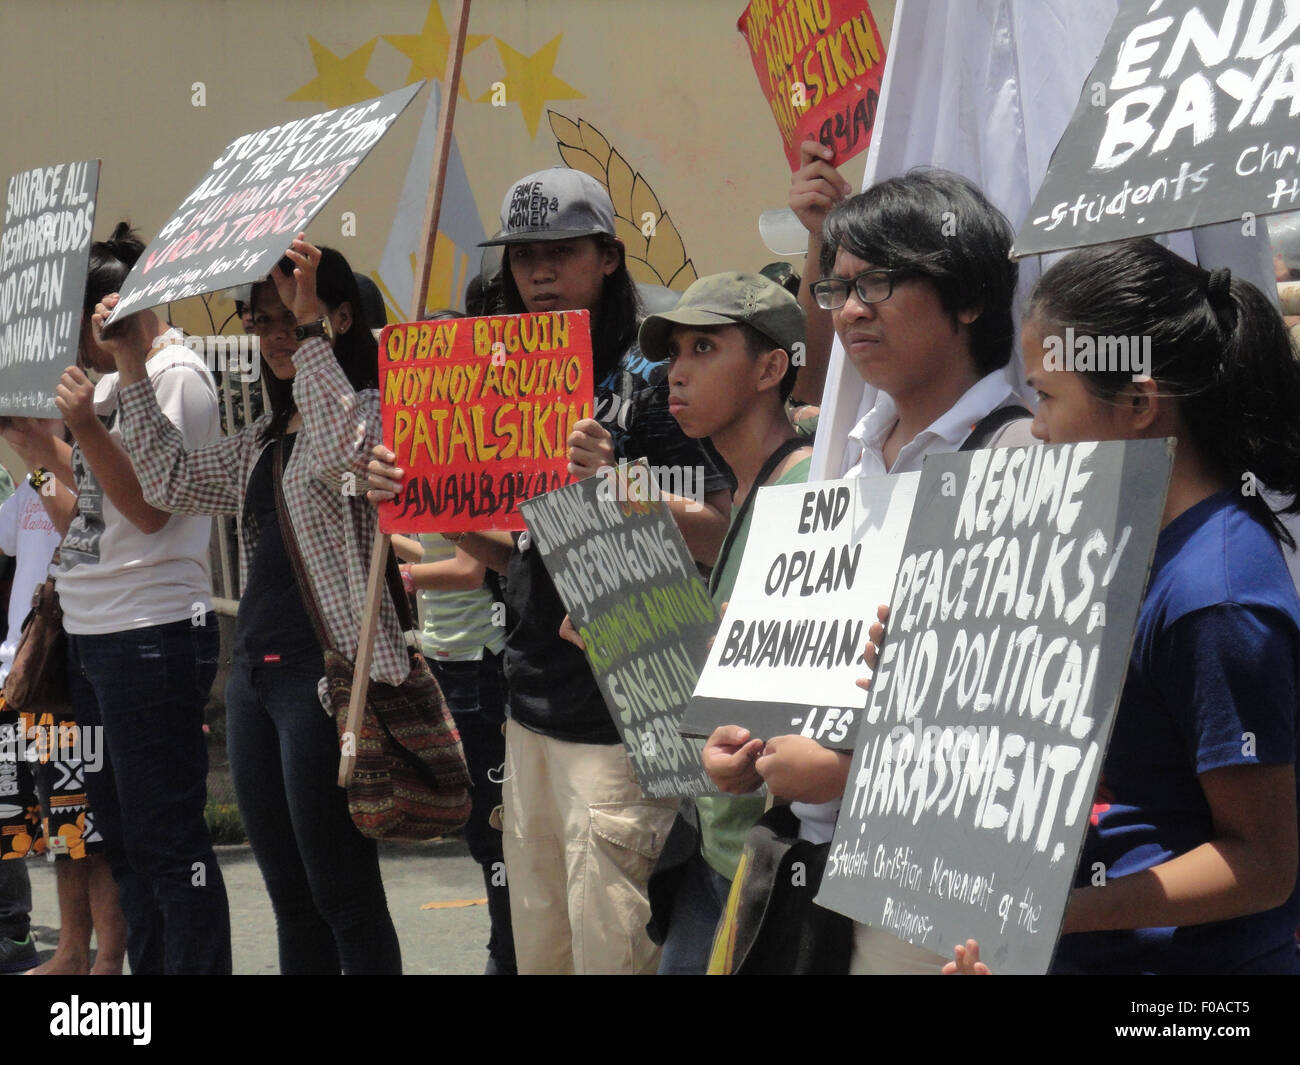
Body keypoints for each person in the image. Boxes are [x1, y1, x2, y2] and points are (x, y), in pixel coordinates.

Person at [370, 167, 732, 974]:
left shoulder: (655, 380)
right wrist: (418, 497)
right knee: (544, 958)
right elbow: (518, 558)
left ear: (608, 256)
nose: (536, 271)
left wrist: (620, 490)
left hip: (628, 717)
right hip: (527, 706)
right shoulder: (515, 375)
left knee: (618, 955)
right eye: (523, 254)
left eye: (560, 251)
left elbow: (722, 530)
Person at [935, 238, 1300, 974]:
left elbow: (1262, 862)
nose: (1036, 428)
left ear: (1136, 401)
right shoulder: (1136, 549)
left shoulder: (1215, 595)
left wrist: (1060, 912)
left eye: (1047, 395)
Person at [701, 169, 1035, 974]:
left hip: (936, 896)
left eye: (878, 283)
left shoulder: (1021, 462)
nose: (851, 309)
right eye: (838, 287)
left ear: (968, 297)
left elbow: (1030, 715)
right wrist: (738, 743)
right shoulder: (844, 462)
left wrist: (854, 768)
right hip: (805, 873)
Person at [99, 235, 404, 974]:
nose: (273, 336)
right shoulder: (264, 438)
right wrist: (133, 361)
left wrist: (308, 329)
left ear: (336, 319)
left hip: (326, 679)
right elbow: (167, 478)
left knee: (345, 894)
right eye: (260, 322)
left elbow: (339, 445)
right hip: (257, 683)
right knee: (291, 898)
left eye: (288, 318)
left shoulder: (365, 414)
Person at [2, 223, 229, 975]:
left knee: (167, 842)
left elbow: (153, 506)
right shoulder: (107, 386)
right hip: (100, 637)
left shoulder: (178, 377)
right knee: (121, 840)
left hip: (152, 633)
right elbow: (95, 509)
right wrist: (36, 442)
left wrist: (79, 427)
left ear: (110, 312)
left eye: (77, 330)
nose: (72, 350)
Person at [634, 272, 811, 973]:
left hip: (762, 861)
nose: (677, 371)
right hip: (717, 848)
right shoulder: (751, 488)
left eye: (704, 347)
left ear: (772, 368)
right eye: (674, 351)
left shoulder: (803, 492)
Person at [0, 428, 128, 975]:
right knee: (60, 827)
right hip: (23, 677)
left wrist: (34, 459)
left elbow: (77, 523)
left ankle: (109, 959)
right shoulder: (28, 485)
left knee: (86, 828)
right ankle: (72, 951)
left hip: (66, 674)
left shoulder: (76, 473)